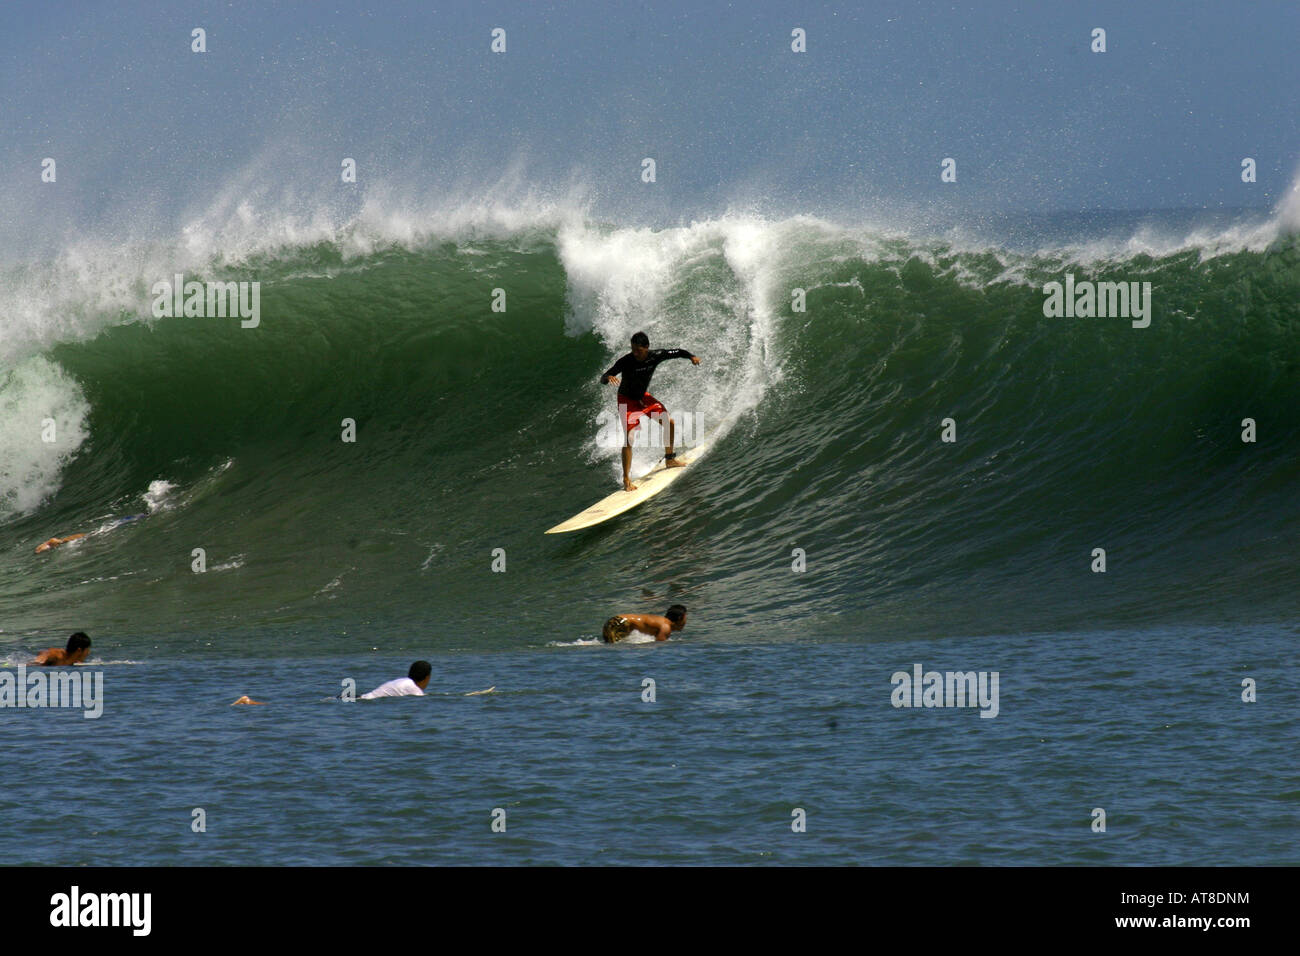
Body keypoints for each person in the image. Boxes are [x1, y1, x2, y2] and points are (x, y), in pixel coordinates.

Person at [601, 332, 700, 491]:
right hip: (626, 400)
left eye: (638, 350)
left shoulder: (657, 355)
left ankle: (670, 459)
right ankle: (626, 479)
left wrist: (691, 356)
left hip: (643, 398)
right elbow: (605, 376)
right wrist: (608, 377)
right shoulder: (626, 361)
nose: (635, 353)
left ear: (646, 347)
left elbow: (678, 352)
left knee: (669, 423)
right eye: (633, 349)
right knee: (630, 437)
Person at [601, 605, 687, 643]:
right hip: (620, 623)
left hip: (615, 621)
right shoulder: (666, 627)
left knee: (608, 646)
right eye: (685, 618)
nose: (686, 622)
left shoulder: (662, 622)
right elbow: (659, 646)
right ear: (680, 618)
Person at [359, 660, 432, 699]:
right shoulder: (414, 689)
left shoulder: (403, 680)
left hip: (362, 697)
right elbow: (420, 699)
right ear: (427, 677)